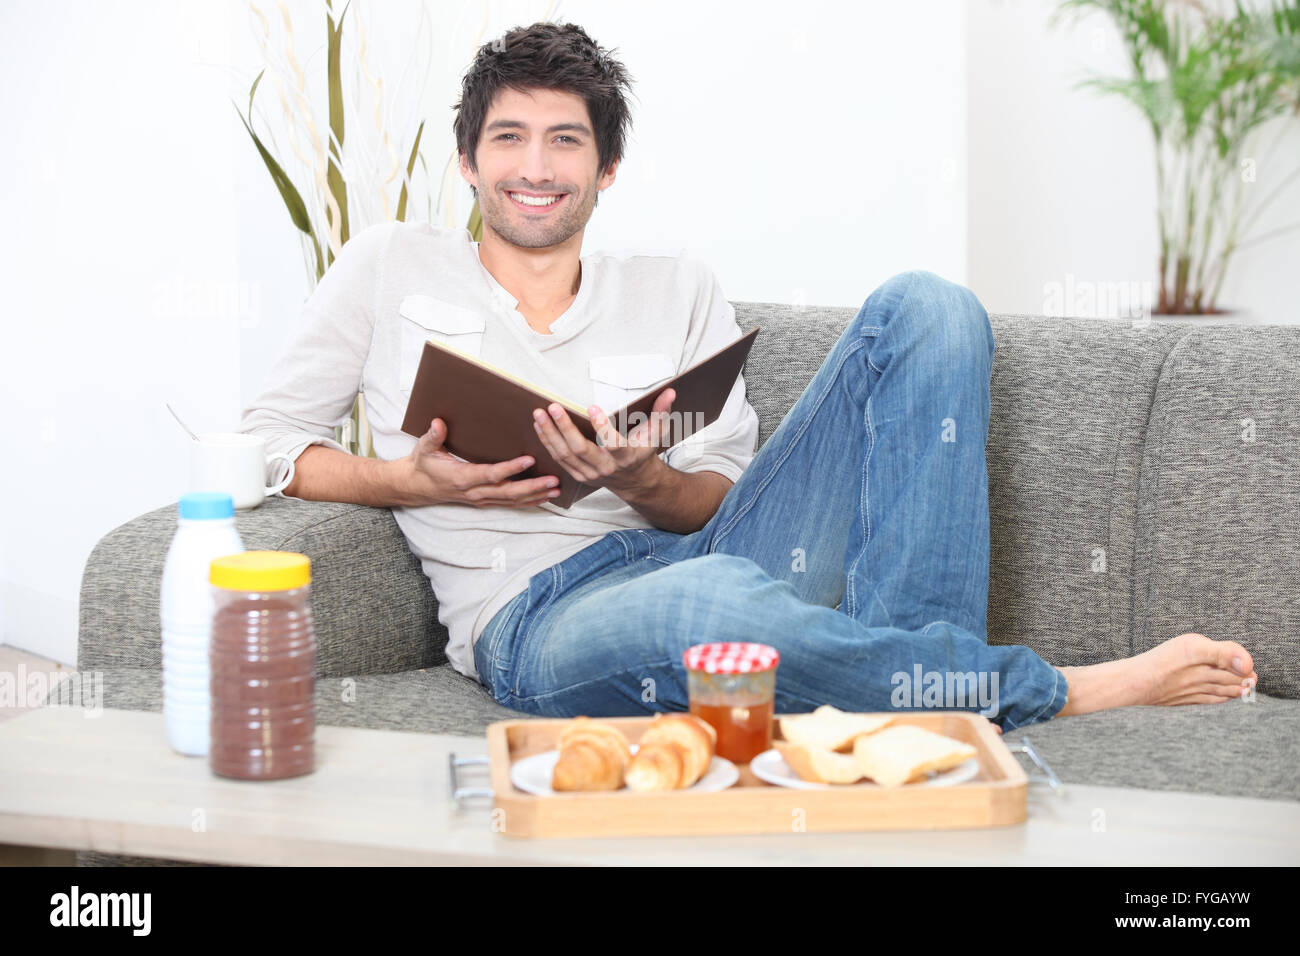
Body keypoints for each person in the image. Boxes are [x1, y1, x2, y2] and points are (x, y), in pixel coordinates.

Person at [242, 21, 1257, 732]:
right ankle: (1040, 691)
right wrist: (405, 482)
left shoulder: (677, 285)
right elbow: (266, 444)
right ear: (468, 161)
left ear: (605, 170)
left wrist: (639, 478)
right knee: (709, 609)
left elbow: (715, 506)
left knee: (928, 307)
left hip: (699, 550)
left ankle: (911, 706)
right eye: (507, 137)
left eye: (566, 140)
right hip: (536, 619)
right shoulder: (388, 265)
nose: (534, 166)